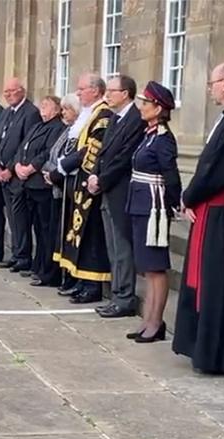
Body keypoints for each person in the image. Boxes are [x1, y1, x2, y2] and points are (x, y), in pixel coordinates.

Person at [172, 62, 224, 375]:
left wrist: (189, 196)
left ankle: (219, 353)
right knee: (204, 280)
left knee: (218, 282)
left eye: (212, 83)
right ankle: (201, 347)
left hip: (222, 211)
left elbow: (218, 169)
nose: (210, 88)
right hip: (211, 208)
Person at [124, 81, 181, 343]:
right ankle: (147, 319)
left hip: (153, 209)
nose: (142, 108)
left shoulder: (163, 138)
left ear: (158, 108)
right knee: (146, 267)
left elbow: (170, 175)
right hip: (140, 205)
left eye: (146, 104)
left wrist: (174, 204)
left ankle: (156, 321)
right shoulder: (148, 135)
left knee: (156, 267)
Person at [52, 73, 115, 304]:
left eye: (82, 89)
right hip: (76, 182)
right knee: (78, 236)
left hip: (90, 183)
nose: (78, 93)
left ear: (96, 91)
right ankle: (79, 279)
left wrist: (63, 165)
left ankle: (92, 284)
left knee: (91, 237)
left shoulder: (104, 114)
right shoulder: (89, 114)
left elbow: (92, 149)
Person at [89, 75, 147, 317]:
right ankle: (116, 294)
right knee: (113, 246)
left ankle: (125, 297)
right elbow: (102, 152)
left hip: (120, 190)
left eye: (112, 91)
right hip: (106, 189)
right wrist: (94, 174)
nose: (107, 95)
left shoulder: (135, 120)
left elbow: (124, 158)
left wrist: (101, 179)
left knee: (122, 246)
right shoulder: (115, 118)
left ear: (125, 93)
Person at [14, 95, 66, 285]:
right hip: (28, 184)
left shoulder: (57, 127)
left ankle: (47, 270)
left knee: (46, 230)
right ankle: (38, 266)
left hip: (42, 184)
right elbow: (23, 146)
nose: (42, 107)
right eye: (41, 104)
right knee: (36, 227)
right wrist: (18, 164)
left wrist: (30, 168)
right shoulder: (38, 125)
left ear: (57, 109)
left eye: (47, 105)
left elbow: (47, 152)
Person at [0, 78, 42, 273]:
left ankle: (23, 255)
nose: (8, 94)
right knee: (12, 218)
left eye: (12, 91)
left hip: (17, 175)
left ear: (22, 91)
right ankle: (15, 253)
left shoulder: (30, 113)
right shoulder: (6, 112)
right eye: (5, 92)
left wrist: (10, 169)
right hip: (2, 173)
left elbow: (25, 146)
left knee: (21, 218)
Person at [42, 95, 82, 289]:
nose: (63, 112)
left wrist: (55, 174)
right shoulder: (67, 130)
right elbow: (54, 154)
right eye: (63, 109)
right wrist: (50, 172)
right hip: (56, 185)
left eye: (67, 109)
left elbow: (70, 157)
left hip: (67, 187)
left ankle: (67, 277)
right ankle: (53, 274)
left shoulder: (77, 130)